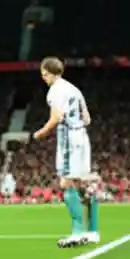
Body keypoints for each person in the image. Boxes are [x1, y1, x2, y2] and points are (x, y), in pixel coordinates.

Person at [33, 57, 99, 247]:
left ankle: (77, 232)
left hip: (69, 137)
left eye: (44, 74)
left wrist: (40, 133)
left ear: (49, 72)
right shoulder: (74, 89)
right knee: (82, 184)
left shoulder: (55, 91)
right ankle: (93, 231)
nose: (43, 78)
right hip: (82, 136)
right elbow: (87, 119)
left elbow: (57, 117)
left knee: (66, 182)